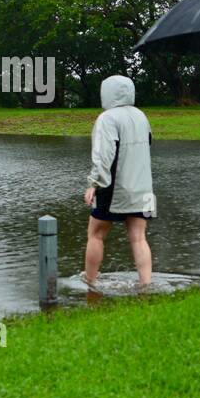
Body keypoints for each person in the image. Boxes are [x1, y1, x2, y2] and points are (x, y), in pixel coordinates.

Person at [82, 75, 155, 291]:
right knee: (139, 237)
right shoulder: (142, 117)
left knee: (95, 233)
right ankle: (146, 285)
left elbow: (104, 155)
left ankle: (91, 280)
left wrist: (94, 183)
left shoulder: (107, 118)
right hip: (143, 187)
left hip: (115, 186)